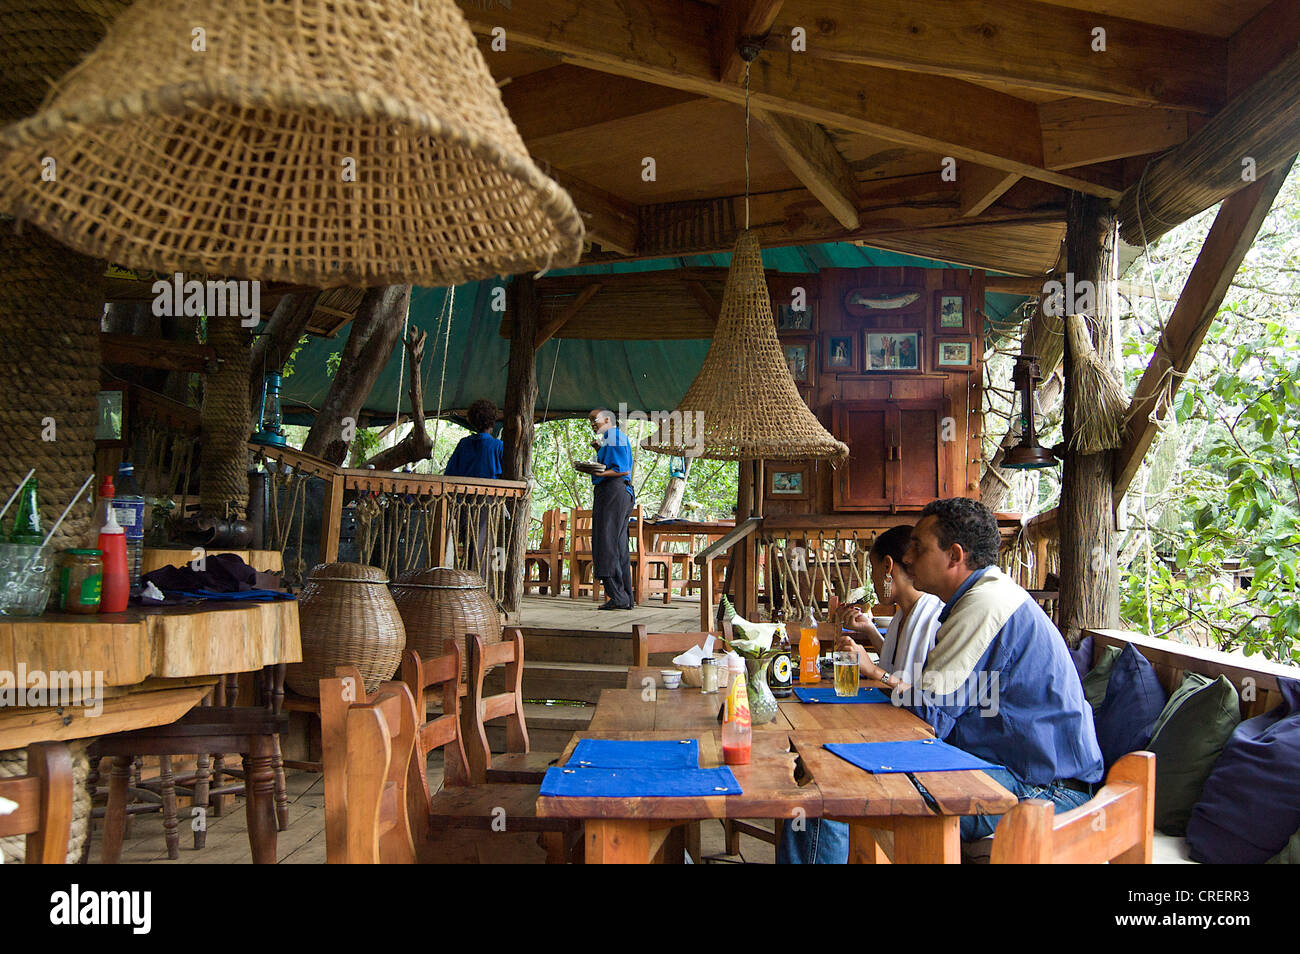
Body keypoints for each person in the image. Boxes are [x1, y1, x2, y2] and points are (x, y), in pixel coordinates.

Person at [899, 497, 1104, 842]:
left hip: (1045, 792)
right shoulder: (982, 597)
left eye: (918, 547)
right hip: (1022, 776)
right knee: (848, 788)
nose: (908, 557)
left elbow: (928, 715)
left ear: (954, 556)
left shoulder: (986, 605)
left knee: (841, 799)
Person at [777, 524, 943, 864]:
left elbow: (927, 696)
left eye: (871, 569)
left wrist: (872, 670)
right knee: (805, 766)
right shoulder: (902, 615)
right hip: (890, 726)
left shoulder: (934, 614)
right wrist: (869, 632)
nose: (871, 580)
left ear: (888, 566)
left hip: (916, 742)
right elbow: (900, 664)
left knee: (820, 785)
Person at [443, 398, 504, 570]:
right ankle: (484, 583)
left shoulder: (464, 444)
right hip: (489, 502)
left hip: (463, 502)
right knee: (487, 543)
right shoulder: (498, 446)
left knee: (468, 541)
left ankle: (467, 577)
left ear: (471, 421)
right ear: (493, 422)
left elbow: (449, 474)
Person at [588, 407, 635, 610]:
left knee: (605, 543)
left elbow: (622, 468)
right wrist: (599, 452)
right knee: (618, 545)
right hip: (620, 493)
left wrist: (596, 472)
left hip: (613, 493)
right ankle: (625, 597)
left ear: (607, 419)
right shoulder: (612, 438)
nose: (592, 424)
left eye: (594, 420)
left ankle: (618, 595)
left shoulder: (614, 436)